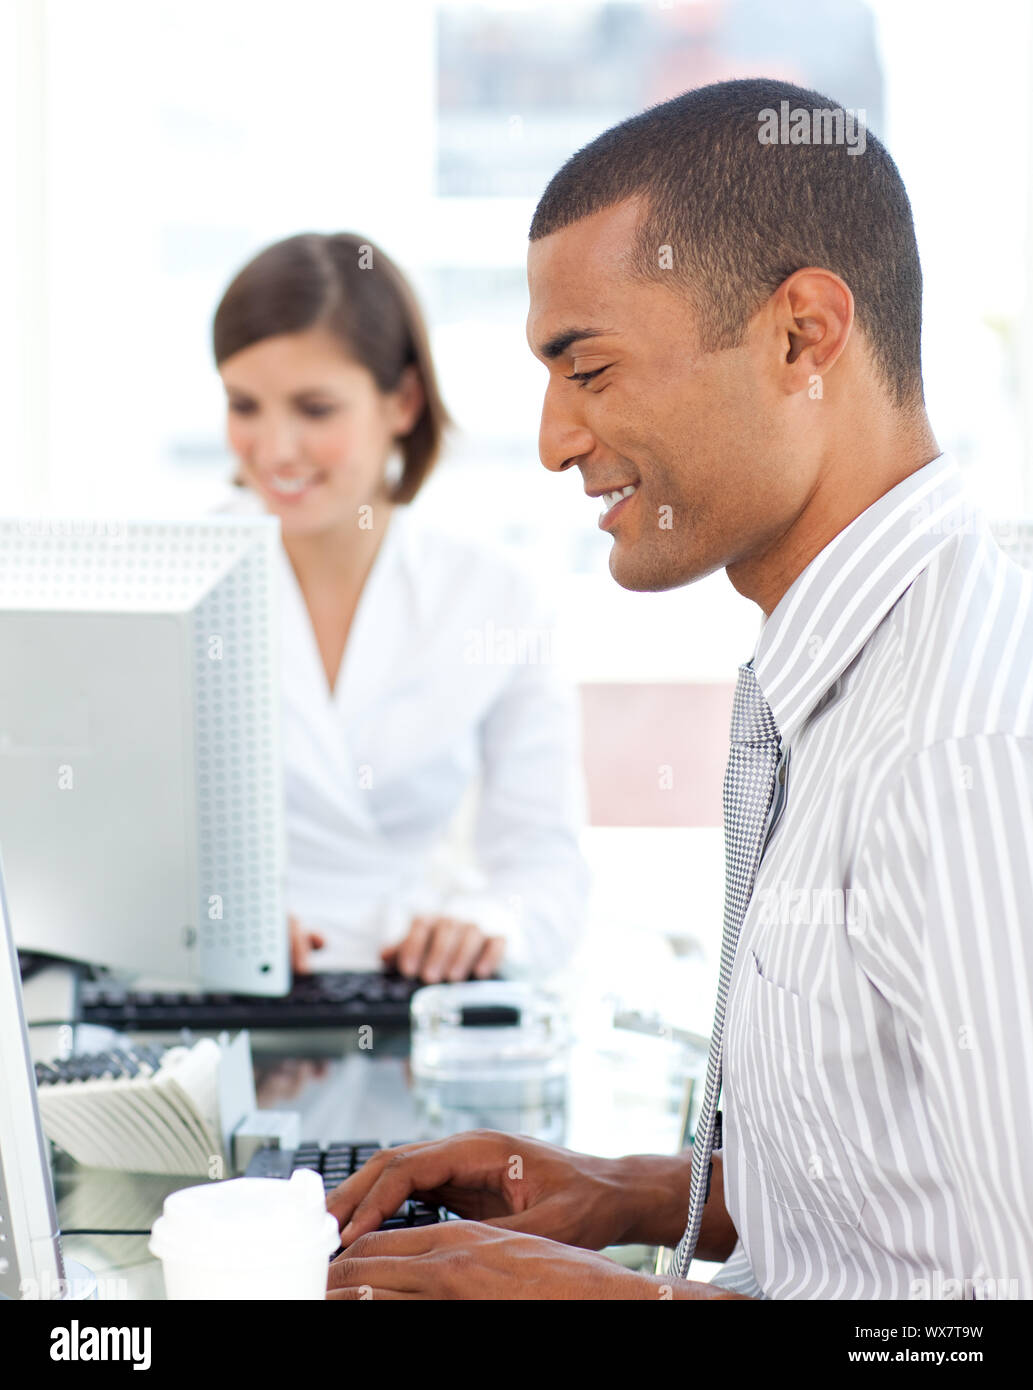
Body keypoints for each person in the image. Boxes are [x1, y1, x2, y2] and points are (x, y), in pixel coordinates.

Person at [323, 78, 1033, 1300]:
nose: (552, 439)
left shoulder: (961, 749)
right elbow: (910, 1194)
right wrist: (633, 1193)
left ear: (803, 336)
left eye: (587, 369)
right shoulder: (841, 665)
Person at [212, 232, 589, 983]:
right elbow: (106, 852)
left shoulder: (493, 596)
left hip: (411, 1002)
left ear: (403, 402)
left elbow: (546, 868)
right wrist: (203, 921)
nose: (275, 449)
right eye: (244, 405)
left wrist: (484, 926)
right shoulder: (180, 580)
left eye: (315, 409)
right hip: (212, 1009)